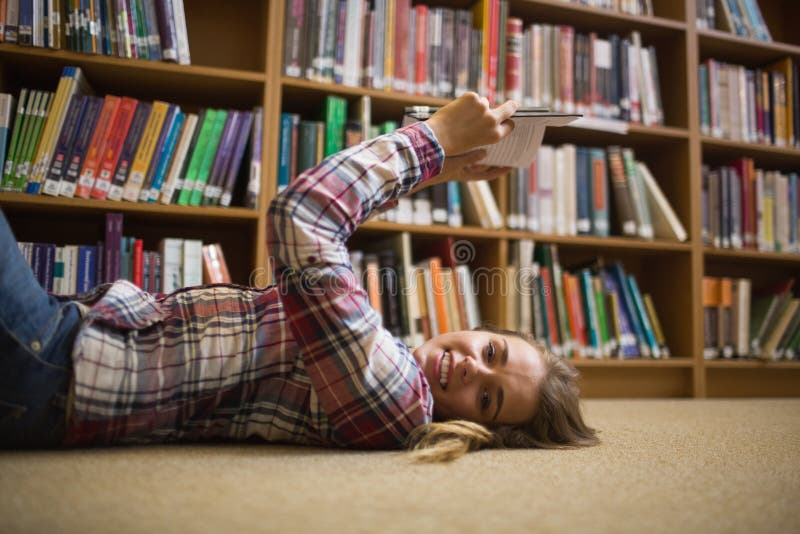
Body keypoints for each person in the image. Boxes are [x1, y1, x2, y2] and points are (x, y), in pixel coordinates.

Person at [0, 92, 598, 461]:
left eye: (487, 397)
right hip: (68, 346)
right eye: (492, 349)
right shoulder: (387, 361)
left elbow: (304, 220)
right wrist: (430, 175)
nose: (473, 366)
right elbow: (327, 237)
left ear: (474, 430)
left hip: (52, 367)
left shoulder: (397, 403)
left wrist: (433, 141)